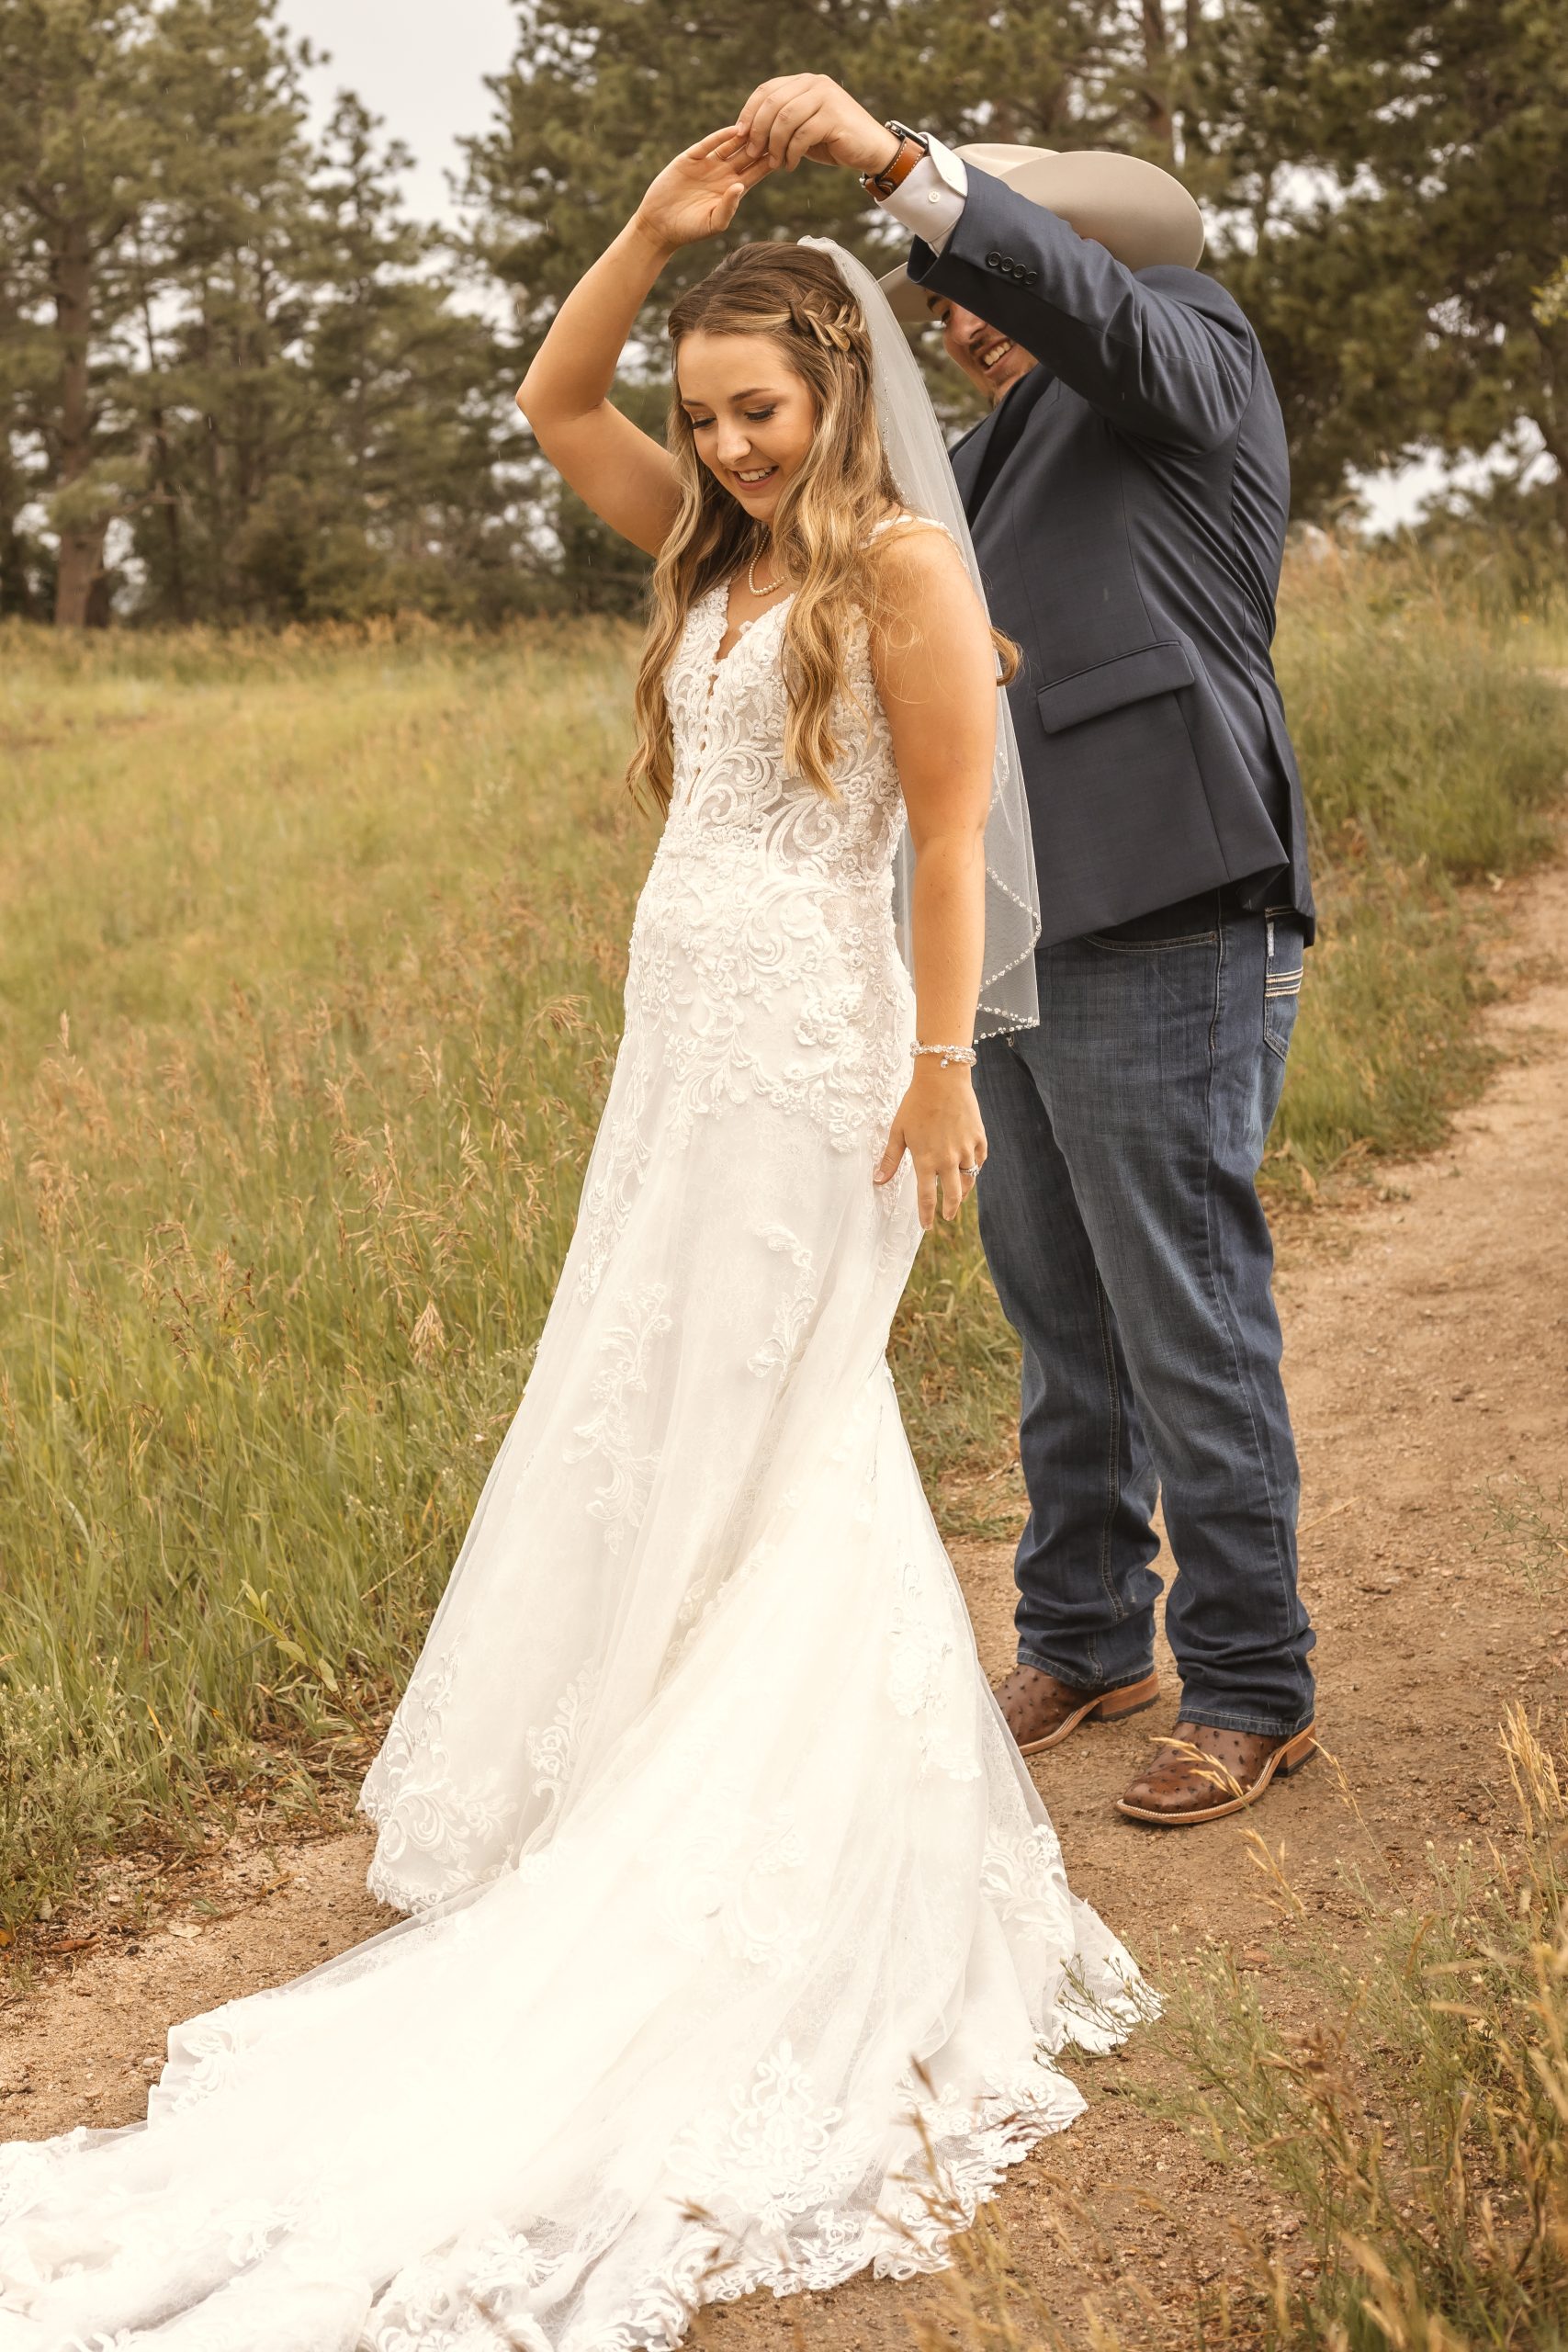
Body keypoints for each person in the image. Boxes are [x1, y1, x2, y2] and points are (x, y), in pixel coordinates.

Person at [0, 133, 1144, 2352]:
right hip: (679, 1055)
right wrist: (645, 236)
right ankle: (631, 1763)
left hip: (816, 1057)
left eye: (756, 409)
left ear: (836, 388)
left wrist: (938, 1067)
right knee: (652, 1388)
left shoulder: (905, 568)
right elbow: (547, 400)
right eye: (701, 414)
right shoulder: (708, 550)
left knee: (779, 1415)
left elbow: (945, 836)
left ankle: (766, 1833)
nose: (722, 446)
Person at [732, 76, 1320, 1826]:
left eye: (982, 283)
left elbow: (1083, 310)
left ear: (1066, 258)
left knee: (1181, 1310)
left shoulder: (1184, 349)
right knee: (1058, 1312)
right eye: (940, 308)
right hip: (1002, 934)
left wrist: (891, 167)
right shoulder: (973, 466)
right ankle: (1082, 1634)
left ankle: (1253, 1683)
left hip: (1170, 899)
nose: (961, 324)